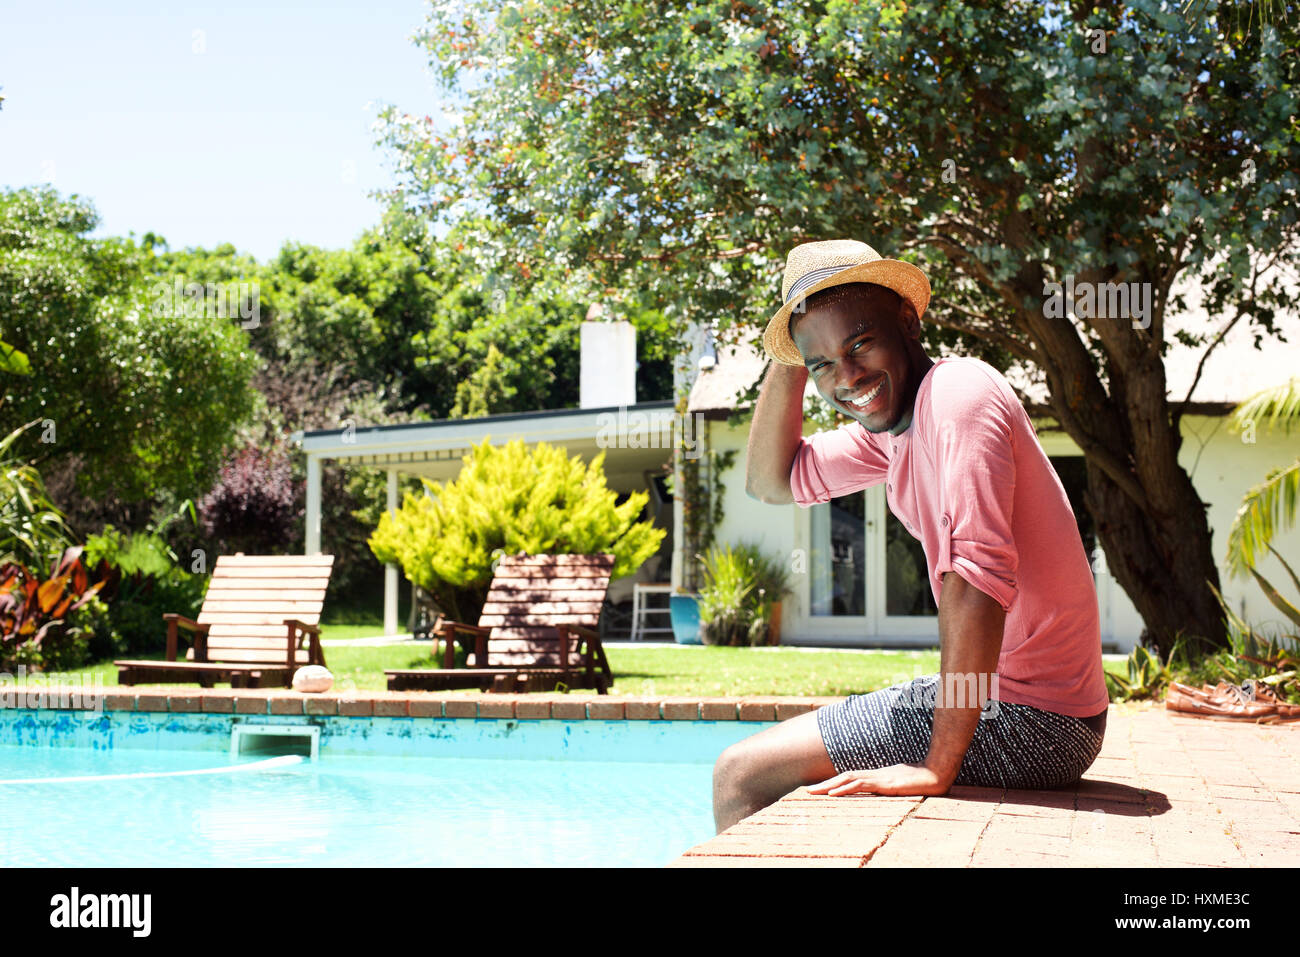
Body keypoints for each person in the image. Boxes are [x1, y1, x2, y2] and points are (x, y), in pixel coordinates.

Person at [712, 239, 1109, 834]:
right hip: (1023, 705)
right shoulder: (894, 429)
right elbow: (770, 482)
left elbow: (977, 580)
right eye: (821, 364)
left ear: (907, 321)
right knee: (783, 762)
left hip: (1039, 722)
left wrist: (936, 767)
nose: (846, 378)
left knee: (741, 773)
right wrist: (793, 348)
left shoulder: (959, 397)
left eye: (859, 344)